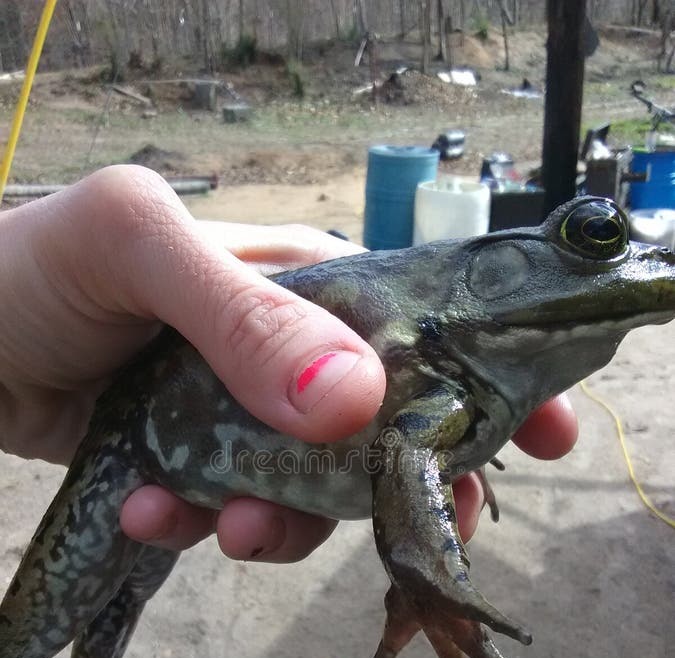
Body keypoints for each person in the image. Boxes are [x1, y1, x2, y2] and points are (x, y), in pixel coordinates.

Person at [0, 165, 578, 561]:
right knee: (21, 649)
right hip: (129, 442)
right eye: (598, 238)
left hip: (157, 460)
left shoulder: (462, 381)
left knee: (134, 578)